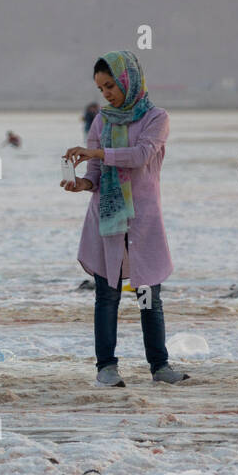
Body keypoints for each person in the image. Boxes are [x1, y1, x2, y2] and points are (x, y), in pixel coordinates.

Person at [61, 50, 188, 387]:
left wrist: (98, 152)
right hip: (108, 221)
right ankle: (106, 368)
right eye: (101, 89)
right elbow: (96, 176)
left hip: (143, 220)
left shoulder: (156, 118)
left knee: (148, 295)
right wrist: (81, 184)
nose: (107, 94)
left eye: (110, 86)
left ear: (127, 80)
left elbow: (142, 155)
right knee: (106, 295)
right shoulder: (102, 121)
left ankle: (160, 367)